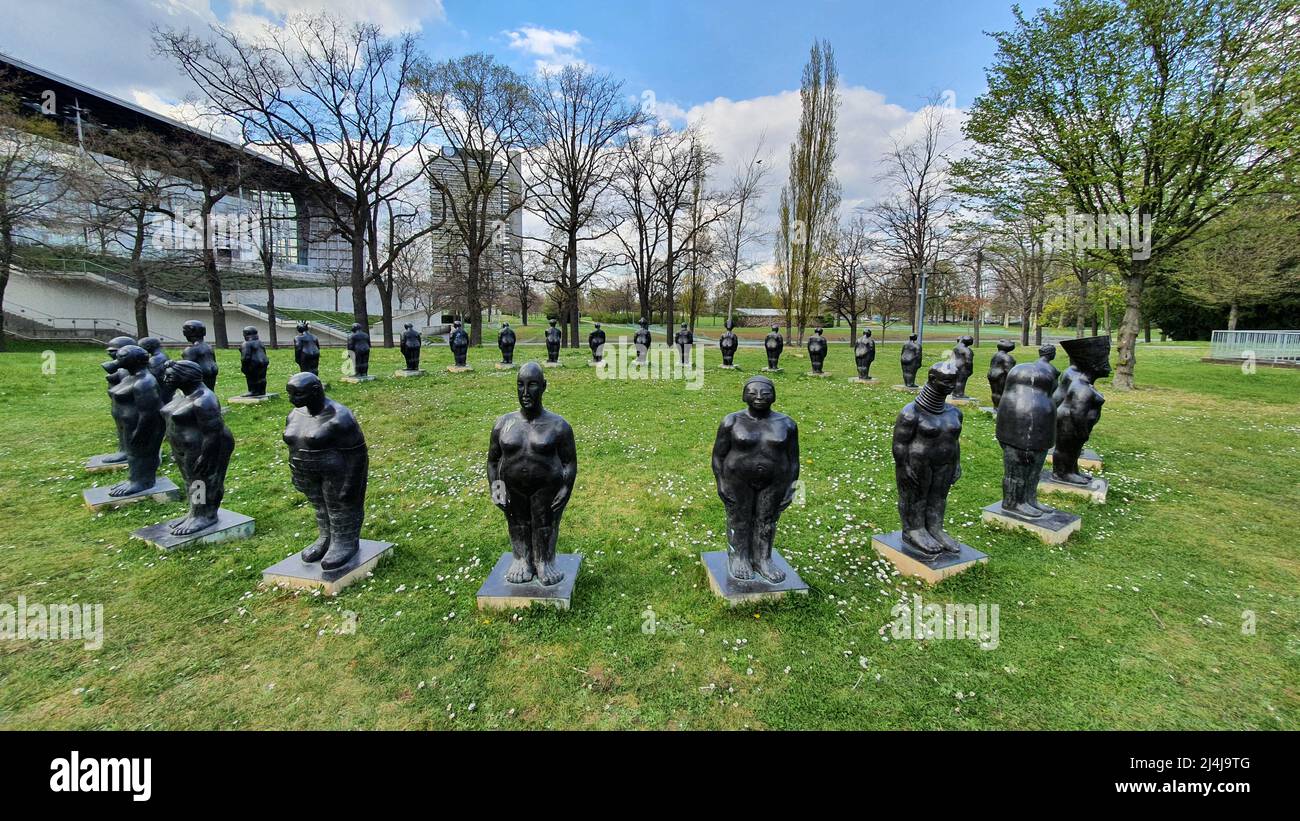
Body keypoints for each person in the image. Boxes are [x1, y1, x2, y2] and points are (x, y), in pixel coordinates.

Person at [487, 363, 578, 586]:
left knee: (545, 523)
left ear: (544, 386)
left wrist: (566, 489)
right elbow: (493, 460)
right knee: (517, 522)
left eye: (533, 385)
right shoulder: (503, 423)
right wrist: (497, 489)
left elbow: (569, 462)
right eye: (520, 385)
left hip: (547, 488)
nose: (526, 393)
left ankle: (545, 560)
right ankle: (521, 559)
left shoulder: (559, 425)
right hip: (513, 487)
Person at [711, 375, 799, 582]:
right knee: (739, 518)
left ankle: (763, 559)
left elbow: (793, 460)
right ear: (744, 396)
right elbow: (718, 455)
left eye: (765, 392)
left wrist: (791, 487)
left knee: (767, 519)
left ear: (774, 396)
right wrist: (721, 482)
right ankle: (738, 556)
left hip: (774, 481)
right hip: (737, 480)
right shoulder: (731, 421)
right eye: (753, 392)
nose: (759, 397)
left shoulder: (787, 424)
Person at [283, 373, 369, 570]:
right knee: (320, 508)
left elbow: (358, 454)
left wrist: (351, 483)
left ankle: (345, 543)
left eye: (297, 394)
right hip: (305, 472)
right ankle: (325, 538)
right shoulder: (294, 414)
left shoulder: (340, 416)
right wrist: (295, 470)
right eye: (290, 394)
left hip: (336, 471)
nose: (292, 400)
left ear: (315, 391)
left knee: (340, 508)